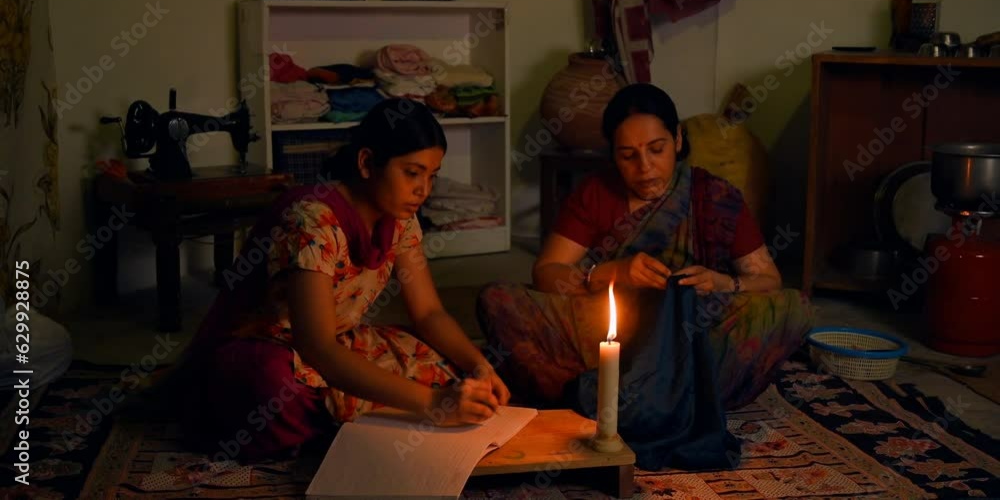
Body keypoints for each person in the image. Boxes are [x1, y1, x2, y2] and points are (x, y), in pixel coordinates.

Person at [176, 98, 510, 462]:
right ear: (366, 163)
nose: (423, 190)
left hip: (339, 340)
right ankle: (330, 426)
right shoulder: (313, 222)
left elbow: (428, 313)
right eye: (412, 173)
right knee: (272, 389)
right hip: (273, 347)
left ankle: (351, 417)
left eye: (432, 175)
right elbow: (317, 347)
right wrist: (433, 404)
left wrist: (480, 365)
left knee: (442, 364)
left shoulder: (401, 219)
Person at [477, 83, 814, 411]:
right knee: (500, 301)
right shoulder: (596, 194)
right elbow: (547, 274)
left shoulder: (714, 197)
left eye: (657, 149)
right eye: (628, 156)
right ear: (613, 155)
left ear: (678, 139)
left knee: (790, 309)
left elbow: (768, 279)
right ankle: (668, 396)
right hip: (612, 331)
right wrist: (607, 275)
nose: (645, 168)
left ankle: (623, 395)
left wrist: (723, 282)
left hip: (692, 333)